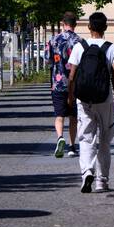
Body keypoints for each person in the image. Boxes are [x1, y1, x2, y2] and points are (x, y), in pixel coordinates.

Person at [67, 12, 114, 193]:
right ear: (105, 27)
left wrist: (70, 96)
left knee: (85, 138)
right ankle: (102, 181)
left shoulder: (79, 47)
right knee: (105, 140)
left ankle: (86, 172)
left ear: (89, 27)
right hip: (104, 99)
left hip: (84, 100)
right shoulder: (112, 48)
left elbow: (71, 76)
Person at [46, 13, 82, 158]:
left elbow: (49, 62)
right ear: (75, 24)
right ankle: (72, 147)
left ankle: (60, 137)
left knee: (59, 115)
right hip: (75, 84)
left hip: (58, 82)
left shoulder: (53, 40)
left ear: (62, 23)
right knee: (74, 117)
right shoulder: (80, 41)